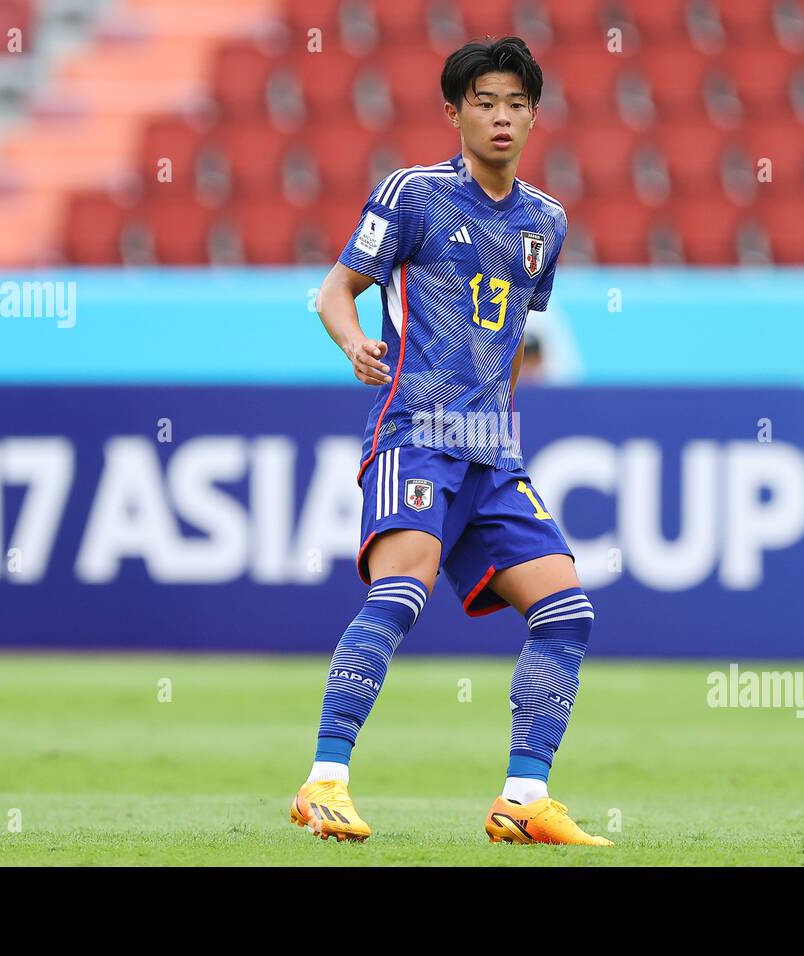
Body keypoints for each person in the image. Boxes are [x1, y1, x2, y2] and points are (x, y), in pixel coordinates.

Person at [291, 35, 610, 847]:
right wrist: (352, 340)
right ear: (454, 112)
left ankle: (524, 797)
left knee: (566, 611)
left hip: (493, 456)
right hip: (416, 437)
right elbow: (335, 288)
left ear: (534, 116)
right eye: (484, 102)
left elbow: (501, 344)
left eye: (515, 104)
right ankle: (324, 782)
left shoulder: (546, 221)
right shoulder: (414, 196)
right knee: (400, 593)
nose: (501, 117)